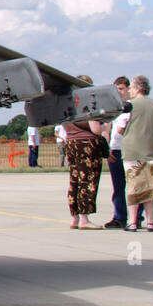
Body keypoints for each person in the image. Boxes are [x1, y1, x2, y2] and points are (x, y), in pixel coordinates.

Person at [121, 74, 153, 232]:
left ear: (138, 88)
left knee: (133, 185)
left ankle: (132, 221)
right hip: (152, 150)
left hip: (133, 150)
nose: (130, 91)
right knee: (150, 187)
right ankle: (150, 221)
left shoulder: (128, 105)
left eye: (132, 87)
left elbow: (120, 127)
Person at [60, 77, 104, 229]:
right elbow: (96, 129)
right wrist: (105, 127)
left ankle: (75, 217)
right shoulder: (88, 103)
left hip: (71, 143)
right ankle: (85, 218)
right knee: (88, 179)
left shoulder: (67, 103)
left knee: (74, 180)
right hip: (88, 144)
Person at [105, 76, 141, 229]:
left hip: (130, 150)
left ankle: (137, 216)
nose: (119, 92)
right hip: (116, 149)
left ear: (128, 89)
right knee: (118, 186)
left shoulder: (131, 107)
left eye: (121, 89)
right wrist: (109, 148)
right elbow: (110, 129)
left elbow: (121, 130)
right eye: (116, 89)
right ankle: (120, 216)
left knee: (136, 185)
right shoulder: (116, 108)